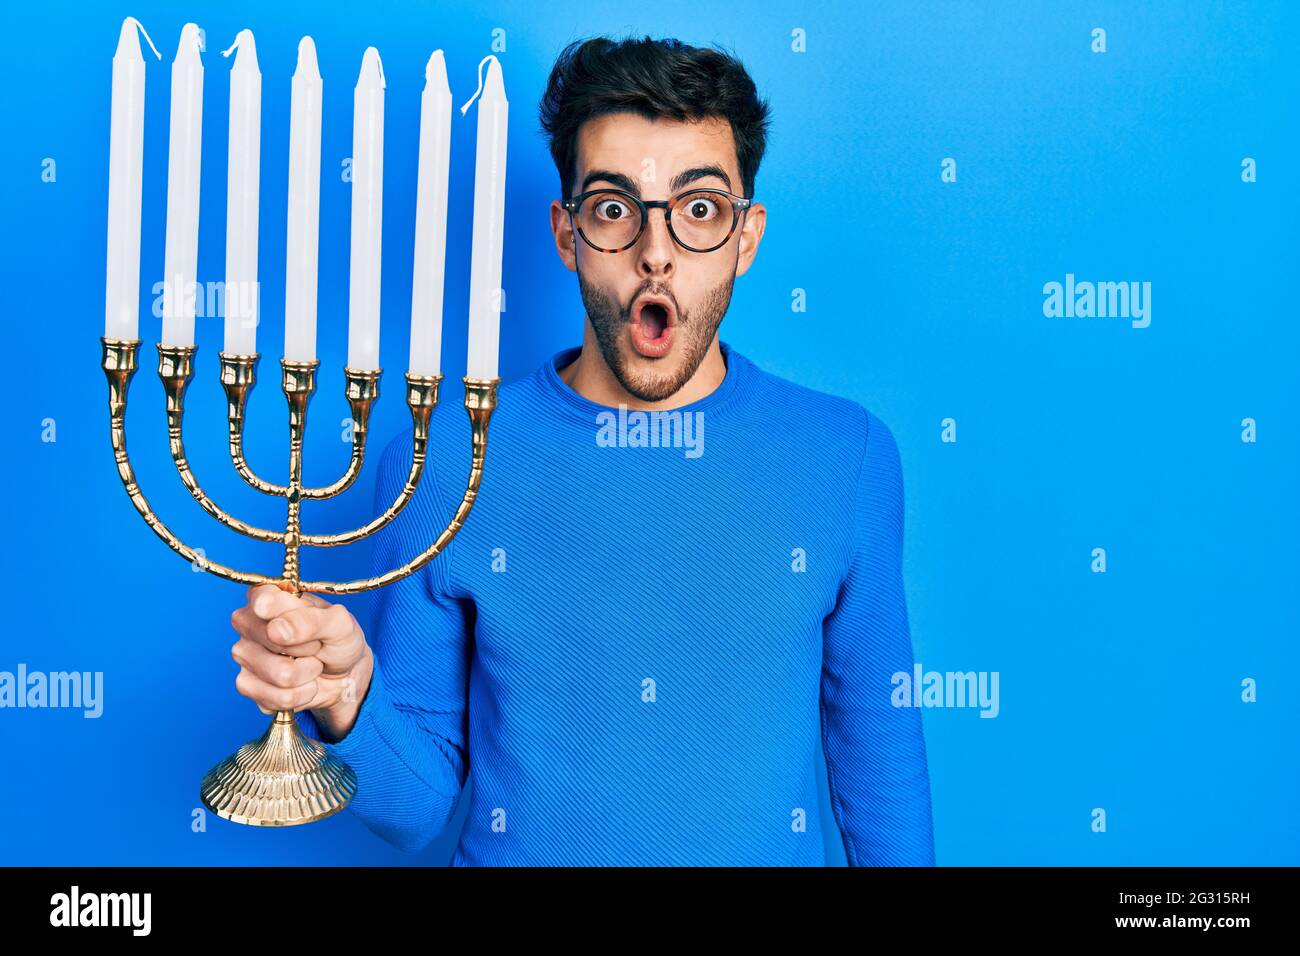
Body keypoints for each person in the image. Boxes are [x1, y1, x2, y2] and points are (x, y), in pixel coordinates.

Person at [229, 34, 936, 865]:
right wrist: (348, 698)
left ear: (747, 237)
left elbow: (883, 777)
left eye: (700, 210)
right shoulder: (446, 459)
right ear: (566, 234)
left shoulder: (844, 457)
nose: (656, 252)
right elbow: (417, 810)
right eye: (613, 209)